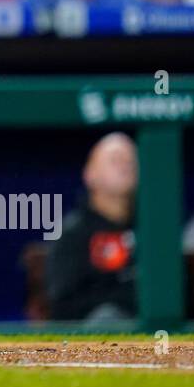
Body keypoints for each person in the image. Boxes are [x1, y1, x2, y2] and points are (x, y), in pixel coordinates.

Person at [46, 132, 138, 322]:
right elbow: (64, 305)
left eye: (132, 161)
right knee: (107, 317)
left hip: (155, 335)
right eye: (115, 160)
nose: (126, 166)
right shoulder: (74, 233)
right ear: (90, 175)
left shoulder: (154, 229)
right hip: (95, 340)